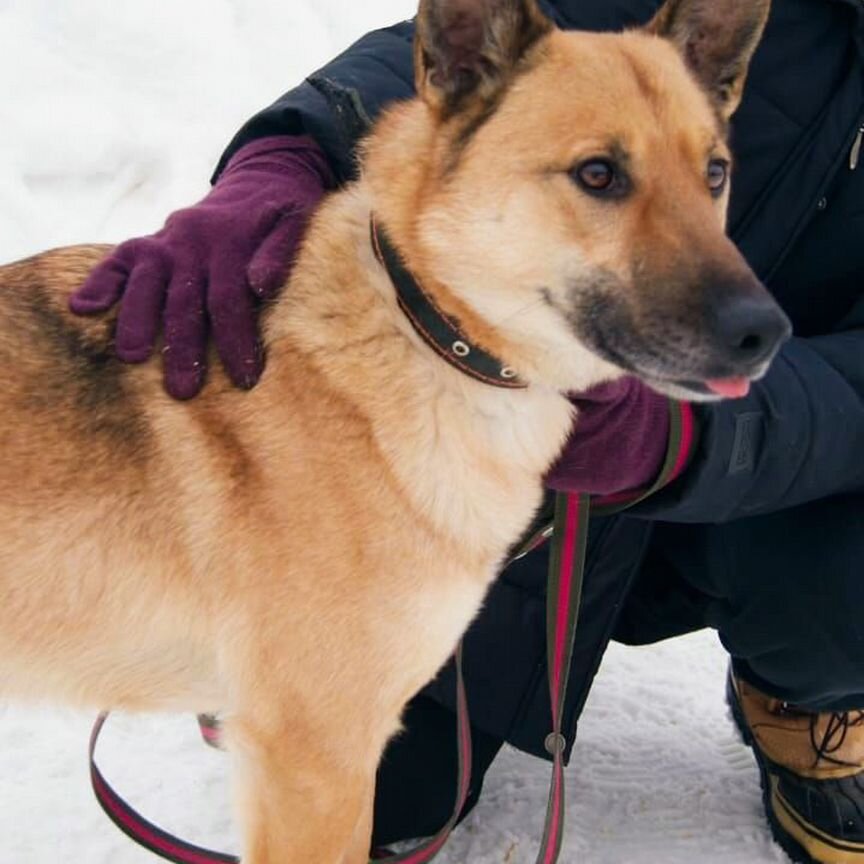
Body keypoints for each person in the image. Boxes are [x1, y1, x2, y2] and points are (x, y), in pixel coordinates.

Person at [70, 0, 864, 861]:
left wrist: (685, 442)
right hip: (530, 408)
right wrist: (287, 151)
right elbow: (487, 63)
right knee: (344, 759)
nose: (731, 288)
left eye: (709, 173)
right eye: (603, 176)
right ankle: (264, 632)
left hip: (782, 497)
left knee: (335, 742)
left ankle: (809, 696)